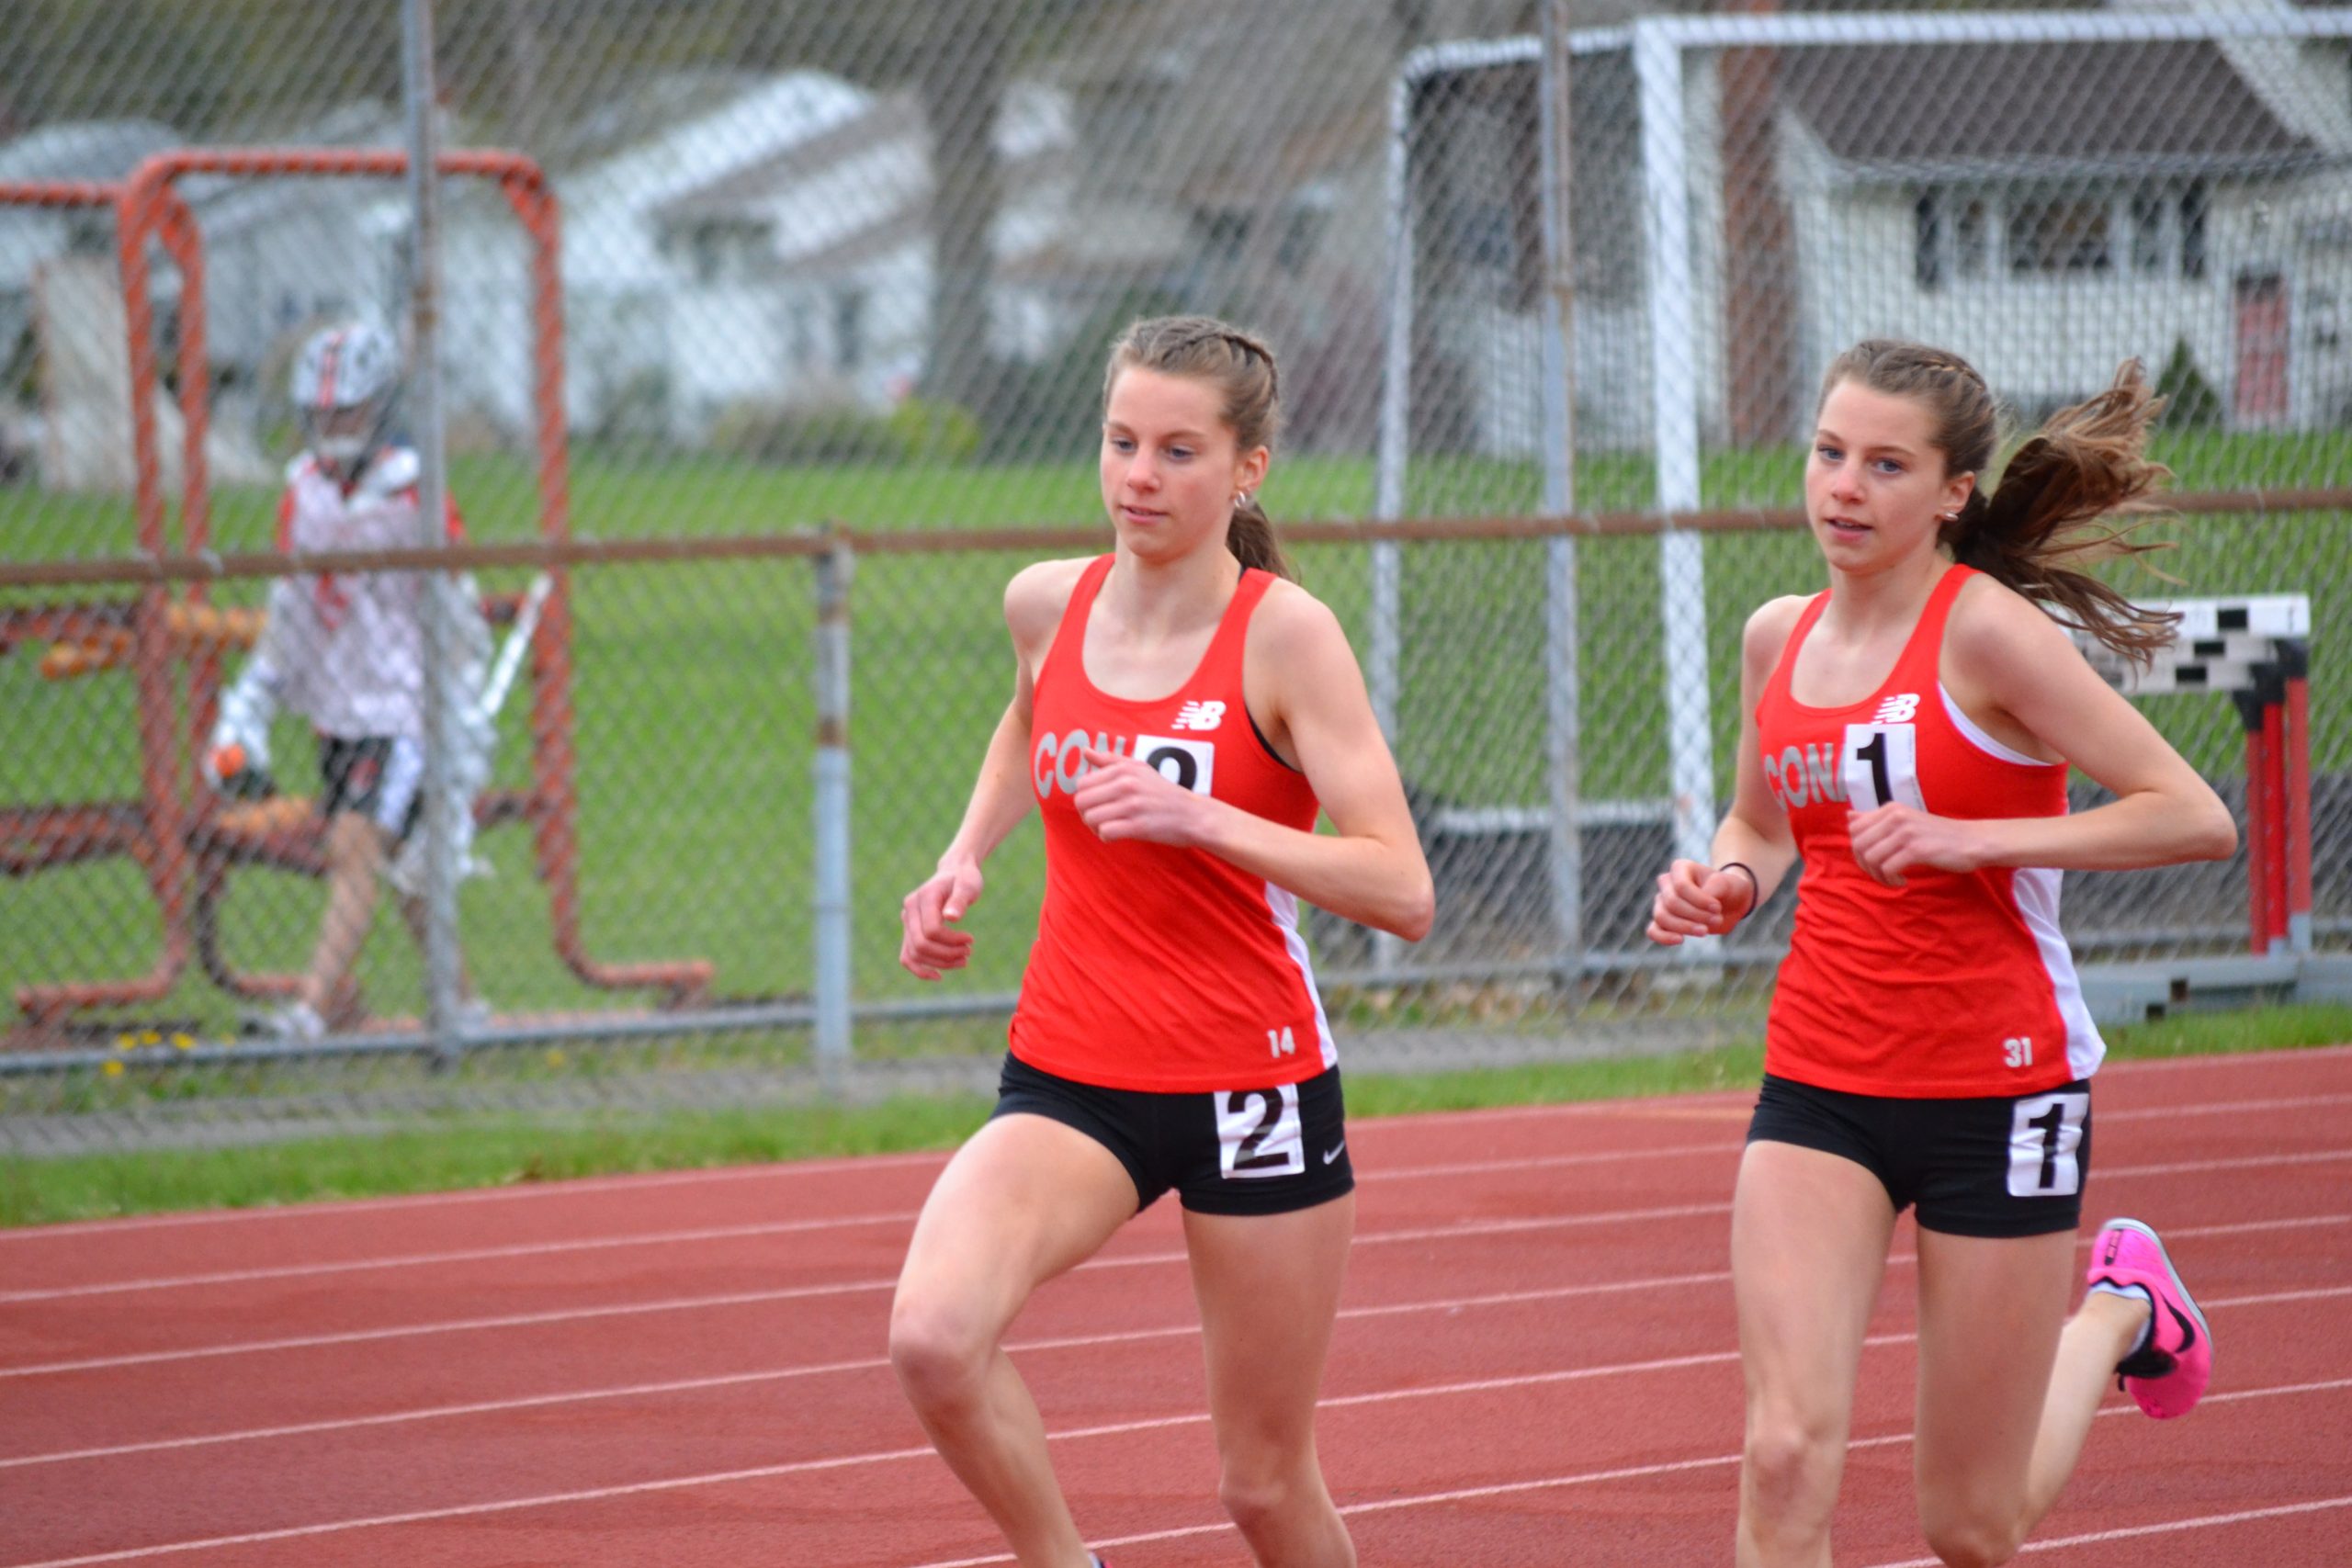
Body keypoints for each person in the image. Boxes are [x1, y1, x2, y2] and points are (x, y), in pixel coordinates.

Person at [1646, 340, 2237, 1567]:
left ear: (1952, 491)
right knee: (1783, 1449)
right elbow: (1766, 817)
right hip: (1821, 1079)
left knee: (1968, 1524)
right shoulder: (1778, 635)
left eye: (1885, 464)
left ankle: (2122, 1309)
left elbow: (2189, 810)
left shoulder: (1989, 635)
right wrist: (1729, 878)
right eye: (1828, 453)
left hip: (2000, 1083)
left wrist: (1976, 835)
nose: (1844, 488)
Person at [890, 315, 1433, 1568]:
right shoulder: (1048, 600)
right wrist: (965, 851)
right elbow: (1030, 723)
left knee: (1261, 1483)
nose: (1139, 474)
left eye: (1179, 450)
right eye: (1121, 441)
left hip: (1253, 1084)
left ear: (1248, 468)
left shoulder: (1285, 634)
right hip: (1076, 1071)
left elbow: (1402, 888)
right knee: (933, 1335)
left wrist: (1209, 817)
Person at [206, 321, 494, 1041]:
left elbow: (458, 611)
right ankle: (463, 1010)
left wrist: (460, 713)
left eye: (350, 413)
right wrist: (252, 706)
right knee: (408, 878)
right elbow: (292, 610)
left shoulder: (413, 496)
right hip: (338, 712)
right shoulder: (302, 494)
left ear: (381, 408)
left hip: (405, 710)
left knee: (354, 850)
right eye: (324, 414)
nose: (334, 429)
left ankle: (308, 1013)